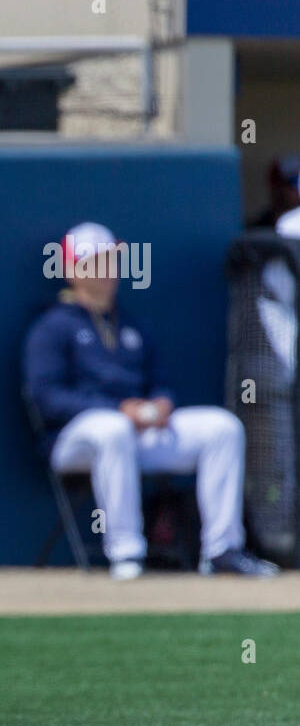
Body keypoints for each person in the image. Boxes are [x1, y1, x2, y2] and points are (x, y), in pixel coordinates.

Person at [24, 221, 278, 580]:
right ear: (74, 270)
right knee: (111, 429)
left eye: (111, 260)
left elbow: (160, 383)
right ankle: (126, 553)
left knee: (222, 427)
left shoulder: (132, 324)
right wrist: (117, 410)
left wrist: (160, 405)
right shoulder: (52, 327)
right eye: (97, 262)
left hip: (137, 434)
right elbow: (46, 398)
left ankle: (222, 550)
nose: (108, 270)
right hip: (75, 440)